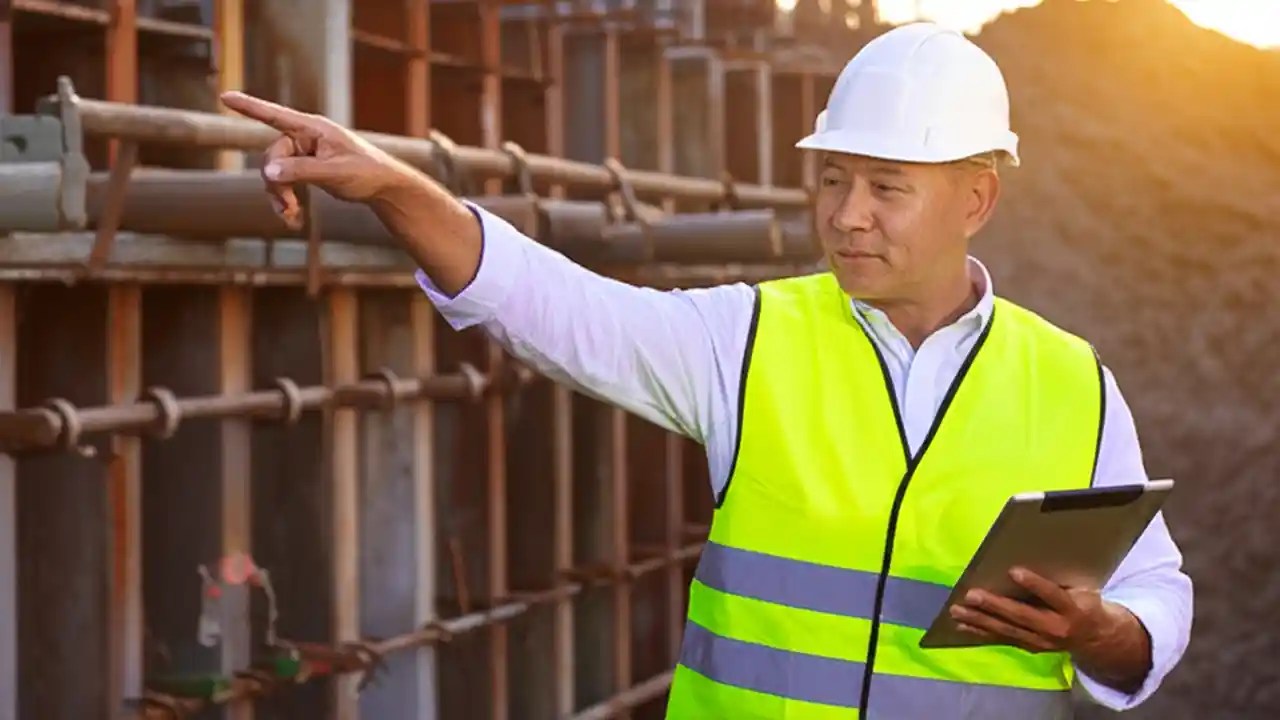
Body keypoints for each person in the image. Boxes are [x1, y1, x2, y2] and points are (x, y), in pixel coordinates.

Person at [222, 21, 1192, 720]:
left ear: (975, 199)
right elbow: (553, 308)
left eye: (886, 188)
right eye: (830, 179)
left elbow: (1158, 591)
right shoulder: (749, 339)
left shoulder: (1068, 382)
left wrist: (1099, 630)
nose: (847, 214)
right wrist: (394, 186)